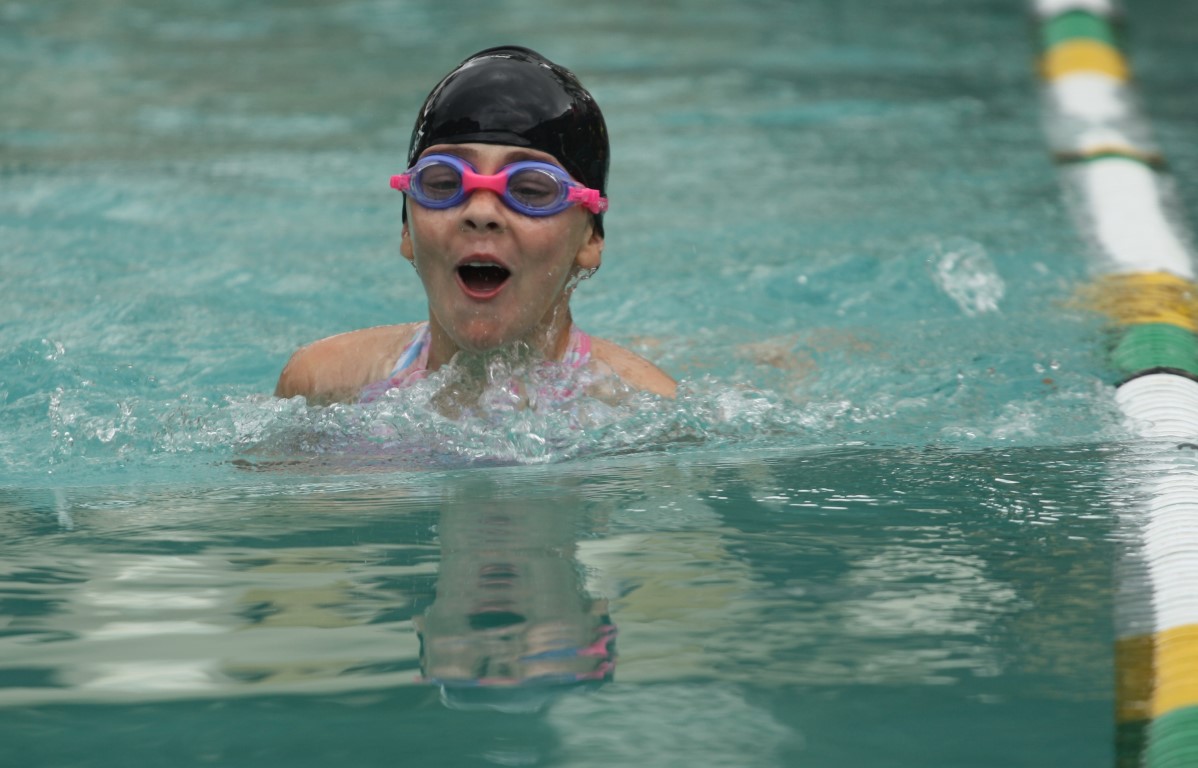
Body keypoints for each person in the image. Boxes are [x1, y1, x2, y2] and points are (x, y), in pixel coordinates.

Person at [275, 46, 676, 407]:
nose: (481, 212)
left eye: (531, 189)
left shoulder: (646, 409)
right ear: (406, 232)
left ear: (590, 237)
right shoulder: (323, 384)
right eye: (444, 183)